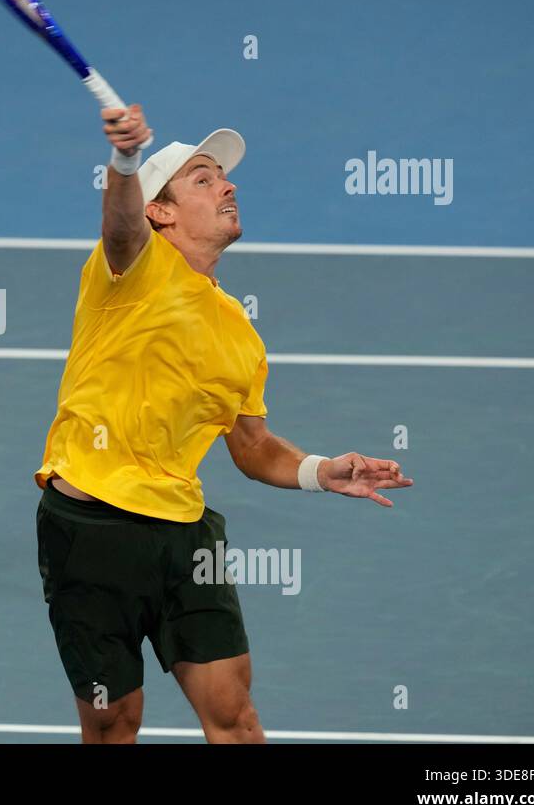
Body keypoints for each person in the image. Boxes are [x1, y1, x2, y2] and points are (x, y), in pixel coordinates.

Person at [34, 103, 413, 743]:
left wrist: (325, 472)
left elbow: (253, 446)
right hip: (90, 532)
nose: (227, 186)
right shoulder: (129, 272)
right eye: (203, 179)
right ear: (162, 211)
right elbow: (120, 223)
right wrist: (125, 159)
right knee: (111, 723)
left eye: (223, 177)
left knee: (234, 715)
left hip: (183, 536)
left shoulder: (239, 330)